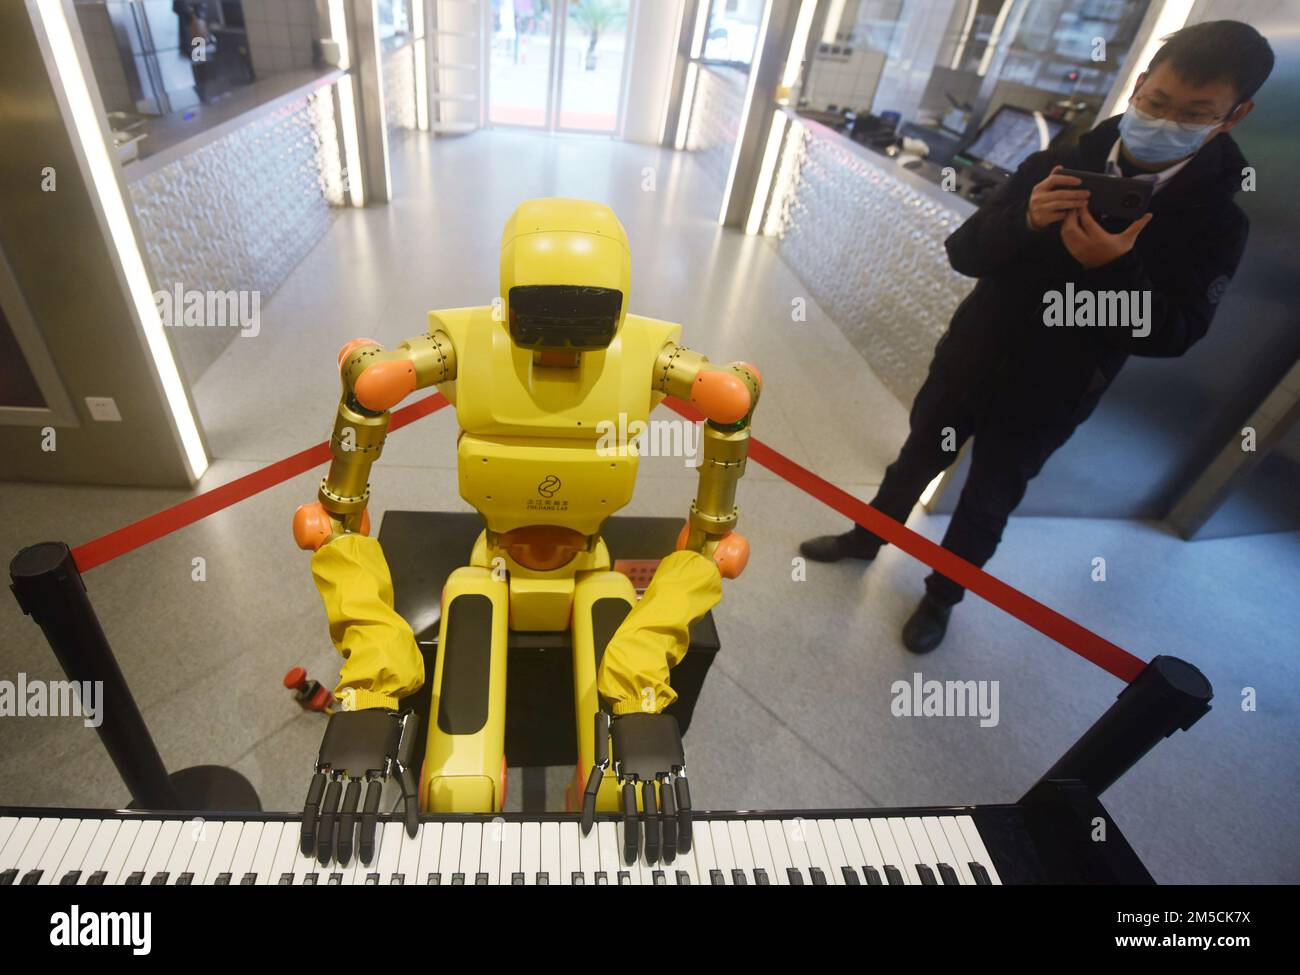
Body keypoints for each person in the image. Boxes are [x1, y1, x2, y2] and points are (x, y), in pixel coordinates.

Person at [800, 21, 1274, 653]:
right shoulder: (1055, 163)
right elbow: (964, 252)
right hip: (973, 357)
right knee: (916, 457)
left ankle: (942, 597)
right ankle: (867, 538)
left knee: (988, 499)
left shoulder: (1218, 221)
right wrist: (1024, 220)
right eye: (1157, 103)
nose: (1165, 121)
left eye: (1195, 113)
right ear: (1138, 86)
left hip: (1056, 389)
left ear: (1234, 115)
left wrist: (1115, 271)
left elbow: (1179, 333)